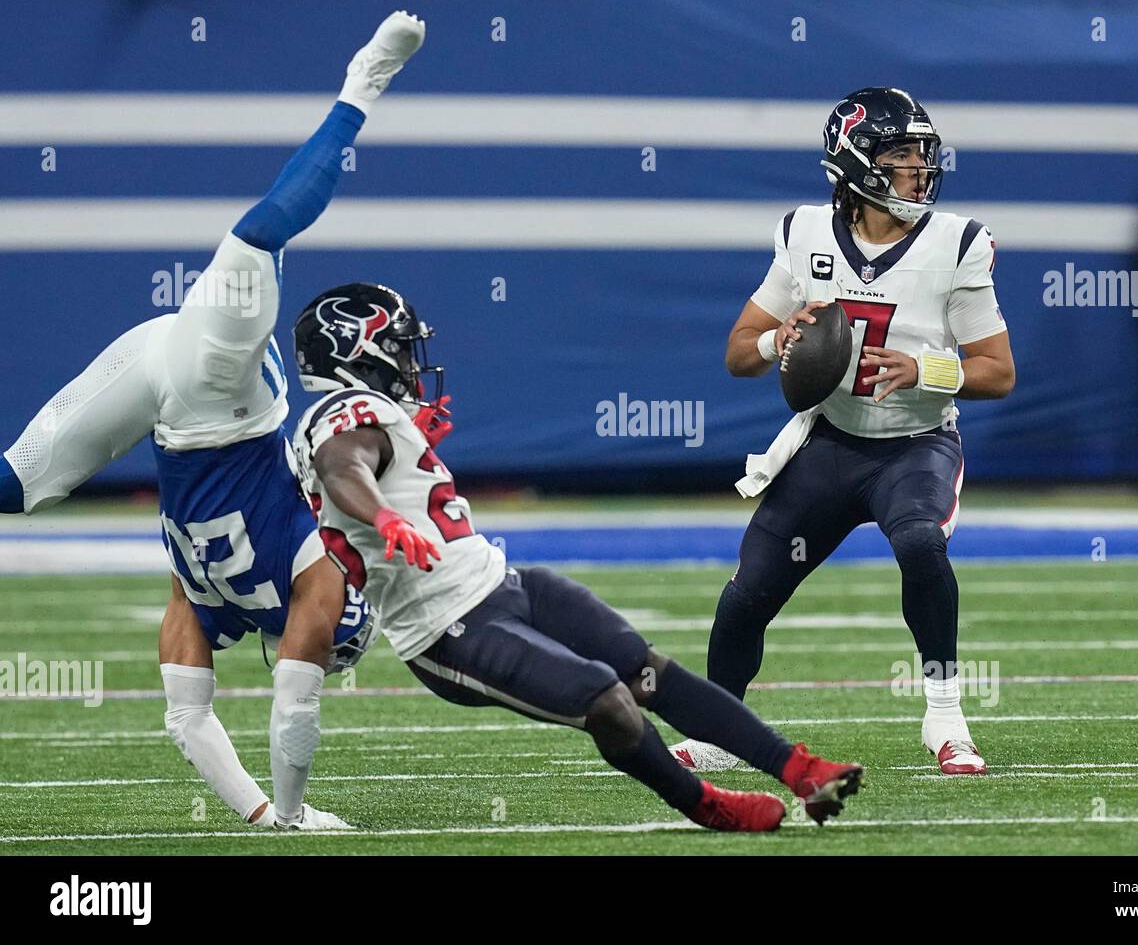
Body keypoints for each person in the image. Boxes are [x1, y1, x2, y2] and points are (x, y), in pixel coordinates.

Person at [0, 10, 428, 829]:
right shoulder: (208, 595)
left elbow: (289, 709)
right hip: (178, 394)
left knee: (260, 233)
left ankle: (361, 85)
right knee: (14, 488)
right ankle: (361, 84)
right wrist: (270, 816)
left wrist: (291, 815)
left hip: (211, 386)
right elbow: (189, 722)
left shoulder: (315, 580)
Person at [289, 283, 865, 831]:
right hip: (446, 629)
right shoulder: (337, 416)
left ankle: (801, 772)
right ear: (358, 355)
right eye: (399, 350)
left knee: (648, 672)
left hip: (504, 583)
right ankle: (706, 804)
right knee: (607, 699)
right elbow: (347, 466)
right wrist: (383, 515)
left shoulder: (369, 413)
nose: (413, 365)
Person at [671, 87, 1015, 776]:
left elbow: (998, 371)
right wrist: (780, 340)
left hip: (916, 445)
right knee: (748, 591)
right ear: (854, 163)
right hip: (830, 443)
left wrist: (924, 367)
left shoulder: (957, 242)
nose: (919, 167)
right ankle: (719, 730)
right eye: (900, 154)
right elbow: (739, 351)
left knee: (920, 541)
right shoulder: (804, 232)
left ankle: (945, 718)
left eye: (921, 153)